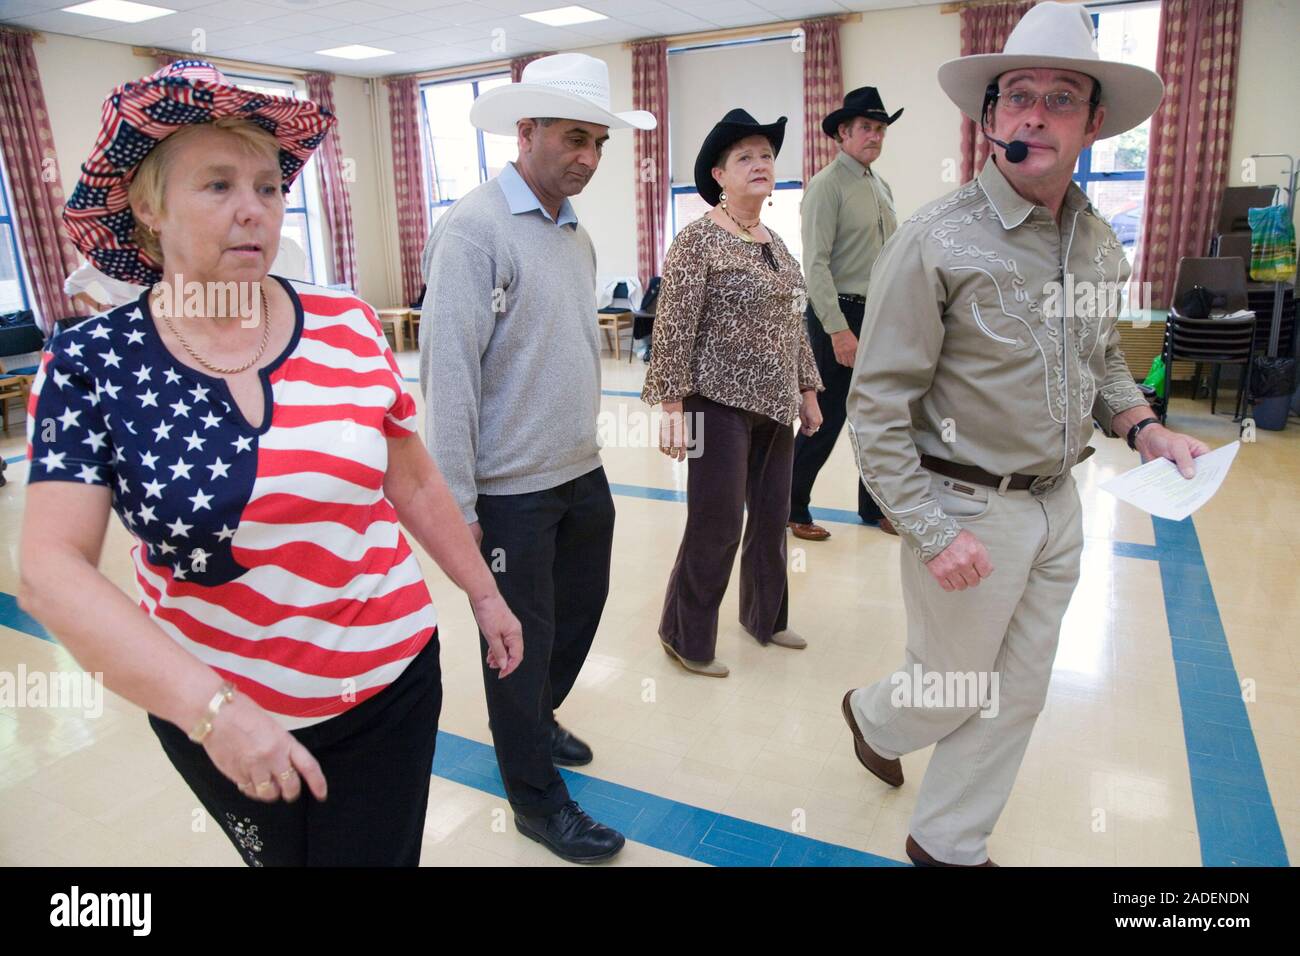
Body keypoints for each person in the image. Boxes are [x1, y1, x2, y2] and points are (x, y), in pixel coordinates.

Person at [19, 60, 522, 867]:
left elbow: (412, 476)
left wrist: (485, 592)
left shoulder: (347, 323)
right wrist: (214, 712)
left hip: (390, 681)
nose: (253, 210)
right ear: (147, 206)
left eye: (266, 184)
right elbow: (50, 569)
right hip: (219, 703)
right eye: (217, 185)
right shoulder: (91, 363)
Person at [841, 2, 1208, 867]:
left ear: (1094, 122)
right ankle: (873, 715)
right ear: (991, 119)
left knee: (1017, 691)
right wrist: (930, 529)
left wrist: (1144, 425)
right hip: (965, 503)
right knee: (952, 689)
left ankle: (946, 842)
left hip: (1060, 502)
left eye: (1061, 98)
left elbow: (1100, 360)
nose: (1036, 113)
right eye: (1018, 97)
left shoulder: (1094, 242)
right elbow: (877, 406)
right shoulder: (935, 240)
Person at [419, 53, 654, 864]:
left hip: (579, 471)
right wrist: (458, 506)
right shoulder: (475, 229)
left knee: (578, 615)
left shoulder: (571, 230)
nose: (587, 156)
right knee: (519, 637)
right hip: (510, 489)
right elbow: (447, 375)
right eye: (573, 138)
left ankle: (537, 717)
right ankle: (535, 801)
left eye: (598, 141)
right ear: (527, 132)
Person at [642, 109, 823, 679]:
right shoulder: (697, 240)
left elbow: (796, 323)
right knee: (716, 523)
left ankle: (764, 618)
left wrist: (808, 390)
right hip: (713, 402)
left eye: (766, 156)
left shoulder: (778, 245)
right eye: (745, 157)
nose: (760, 164)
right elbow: (673, 325)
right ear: (718, 174)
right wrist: (671, 408)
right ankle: (684, 633)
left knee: (770, 519)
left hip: (774, 405)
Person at [789, 87, 903, 541]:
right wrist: (838, 331)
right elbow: (814, 264)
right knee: (826, 417)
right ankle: (791, 506)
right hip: (839, 317)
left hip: (878, 318)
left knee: (875, 418)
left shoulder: (881, 185)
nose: (875, 136)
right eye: (867, 128)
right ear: (843, 133)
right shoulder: (826, 186)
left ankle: (872, 507)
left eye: (880, 129)